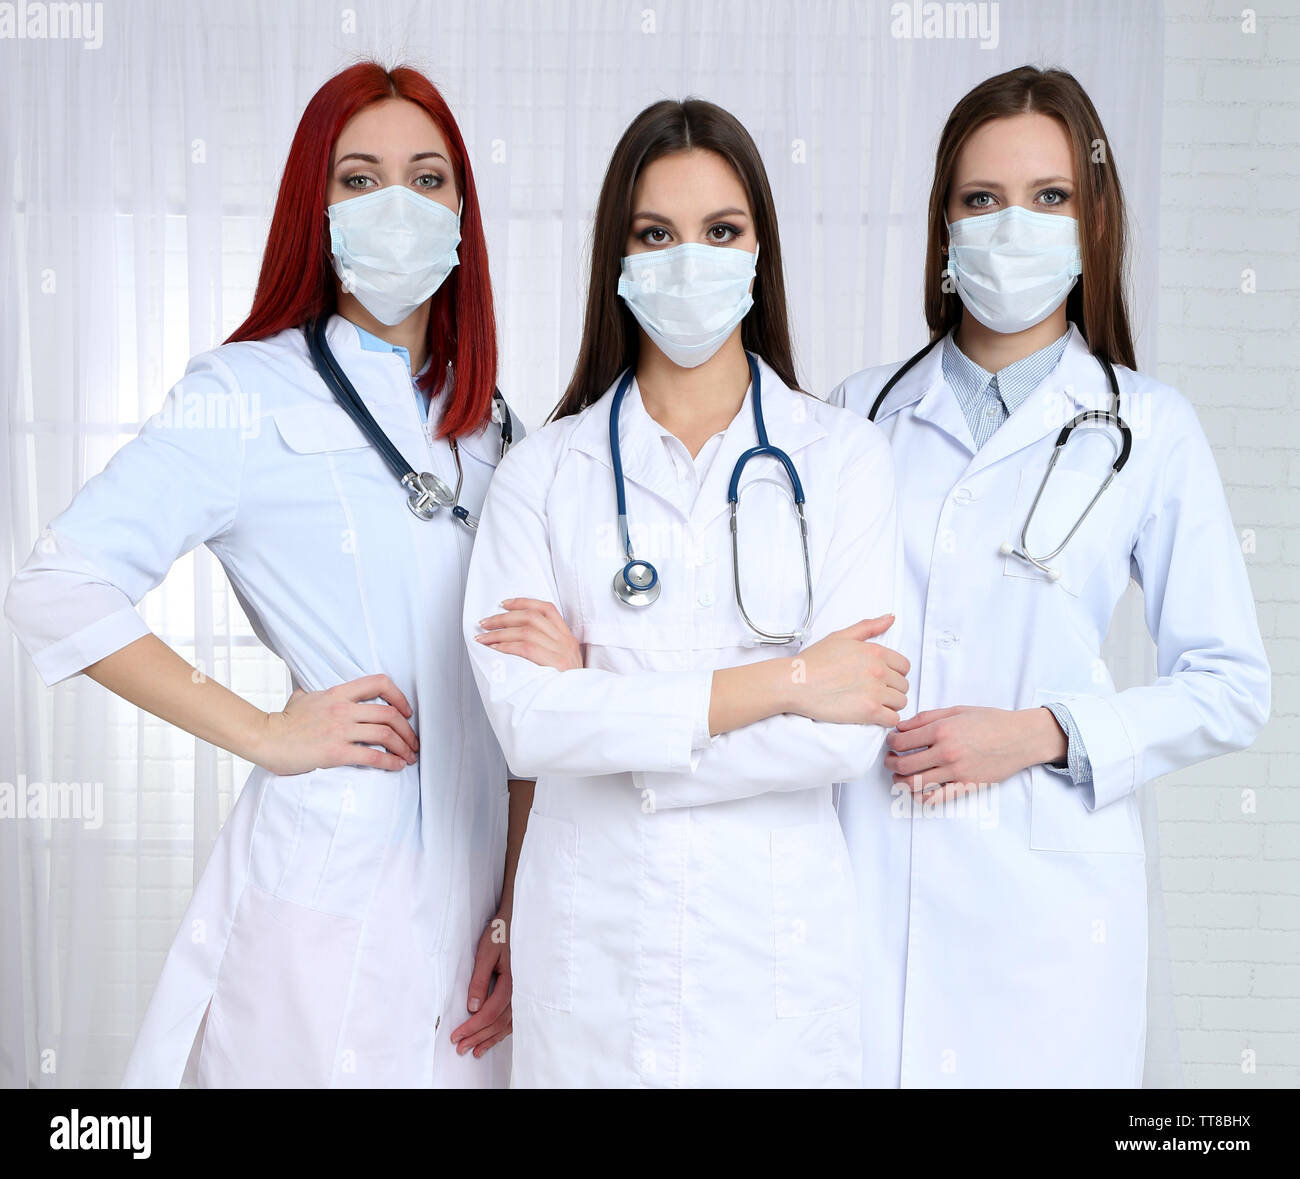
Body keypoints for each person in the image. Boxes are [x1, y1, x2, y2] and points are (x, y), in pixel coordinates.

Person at [5, 62, 526, 1087]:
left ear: (462, 214)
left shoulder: (495, 424)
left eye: (427, 180)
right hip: (325, 881)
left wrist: (514, 904)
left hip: (473, 913)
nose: (398, 206)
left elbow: (522, 701)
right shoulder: (244, 393)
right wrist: (264, 731)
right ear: (314, 209)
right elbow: (55, 585)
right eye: (359, 178)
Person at [829, 66, 1271, 1088]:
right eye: (980, 201)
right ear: (943, 226)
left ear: (1091, 224)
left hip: (1042, 915)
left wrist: (1040, 732)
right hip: (861, 881)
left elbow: (1229, 684)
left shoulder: (1148, 428)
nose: (1010, 226)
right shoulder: (857, 413)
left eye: (1048, 199)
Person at [462, 98, 907, 1088]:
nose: (687, 260)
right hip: (594, 969)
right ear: (615, 260)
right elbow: (530, 730)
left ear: (760, 254)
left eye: (720, 232)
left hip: (774, 973)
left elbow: (845, 734)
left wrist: (606, 703)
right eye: (655, 233)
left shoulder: (843, 461)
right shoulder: (542, 473)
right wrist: (787, 680)